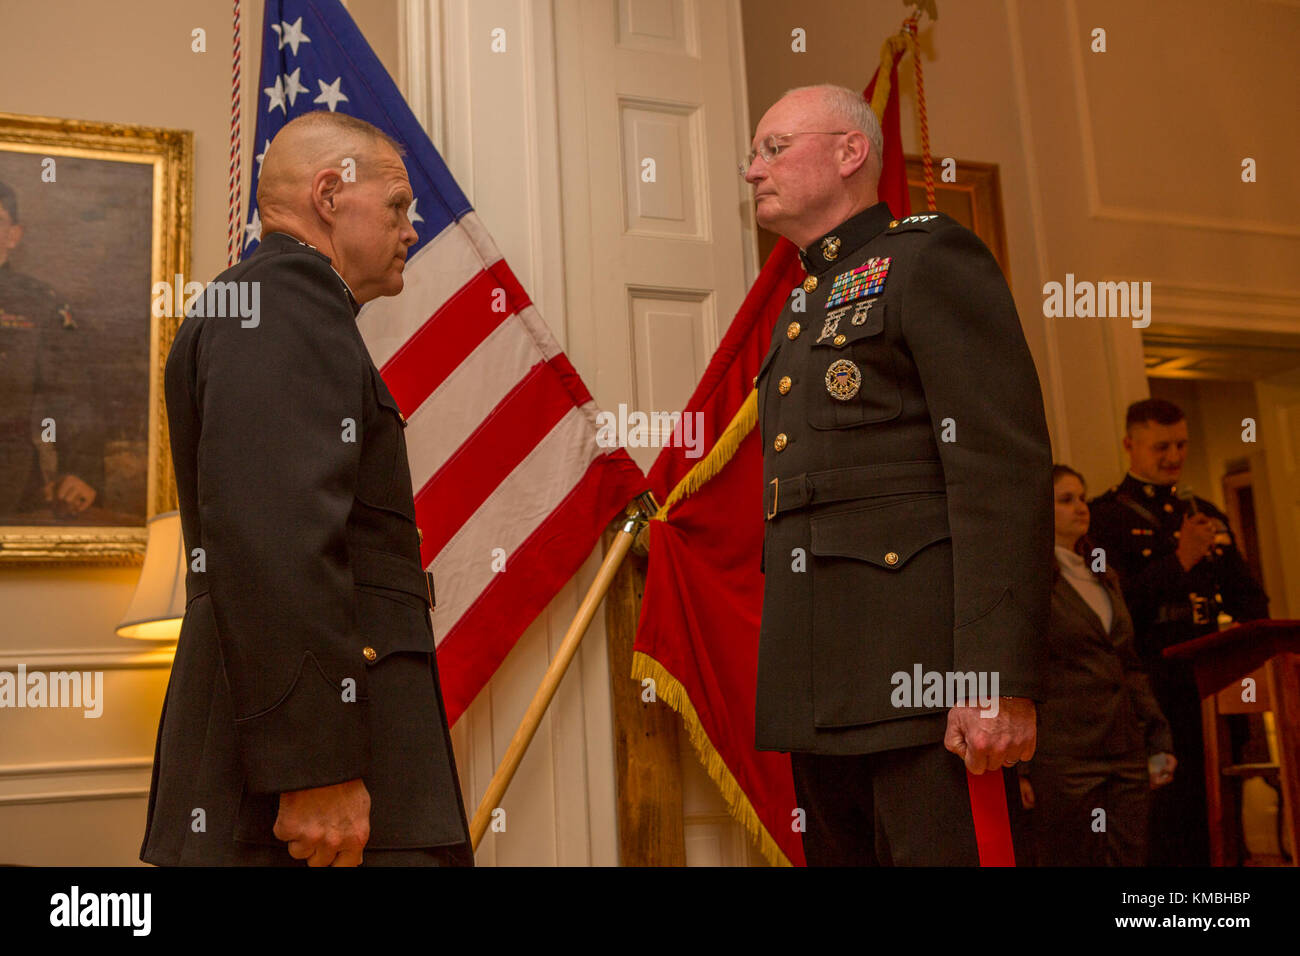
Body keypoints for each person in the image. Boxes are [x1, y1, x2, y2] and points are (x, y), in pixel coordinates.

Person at [141, 111, 472, 866]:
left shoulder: (271, 302)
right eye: (397, 207)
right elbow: (275, 539)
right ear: (330, 194)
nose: (410, 230)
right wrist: (314, 768)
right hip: (309, 781)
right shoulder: (287, 297)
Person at [746, 84, 1053, 866]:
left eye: (774, 148)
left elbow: (998, 473)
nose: (754, 170)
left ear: (851, 153)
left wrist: (993, 677)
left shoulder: (928, 256)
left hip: (926, 689)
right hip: (825, 687)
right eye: (754, 153)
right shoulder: (804, 298)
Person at [1088, 398, 1269, 866]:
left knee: (1221, 805)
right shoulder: (1106, 518)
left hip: (1213, 685)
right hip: (1153, 687)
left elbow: (1250, 602)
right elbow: (1110, 611)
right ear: (1131, 445)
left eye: (1181, 445)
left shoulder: (1203, 512)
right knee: (1168, 815)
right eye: (1161, 447)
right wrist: (1179, 561)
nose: (1174, 457)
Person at [1018, 465, 1175, 866]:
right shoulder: (1027, 580)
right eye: (1066, 500)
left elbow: (1129, 665)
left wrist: (1156, 740)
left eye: (1083, 498)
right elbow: (1017, 669)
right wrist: (1020, 769)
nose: (1081, 508)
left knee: (1130, 857)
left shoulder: (1102, 573)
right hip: (1065, 754)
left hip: (1124, 747)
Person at [0, 179, 102, 521]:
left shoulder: (40, 305)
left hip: (10, 476)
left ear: (13, 235)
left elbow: (72, 396)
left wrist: (79, 470)